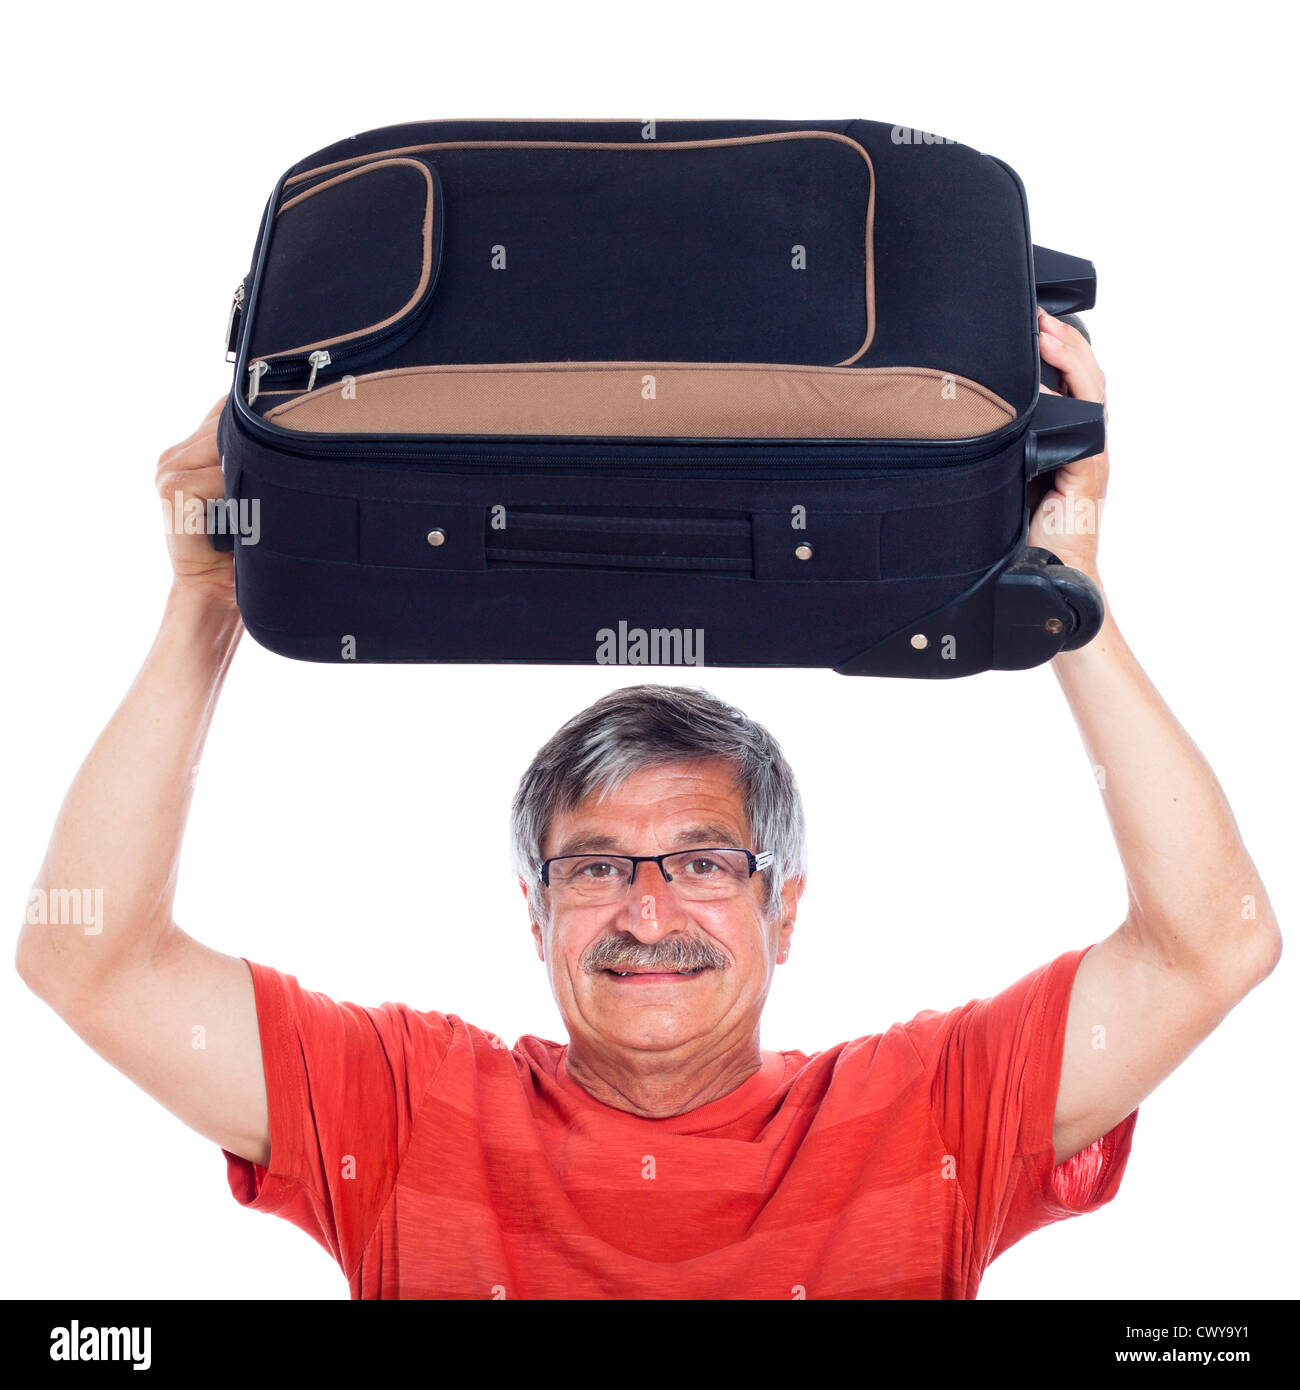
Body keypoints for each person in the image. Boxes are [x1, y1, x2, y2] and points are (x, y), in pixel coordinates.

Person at [16, 310, 1280, 1299]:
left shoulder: (926, 1111)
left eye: (702, 859)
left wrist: (1069, 601)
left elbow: (1212, 945)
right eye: (596, 865)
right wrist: (202, 606)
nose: (647, 907)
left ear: (784, 909)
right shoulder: (397, 1109)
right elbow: (91, 961)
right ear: (535, 910)